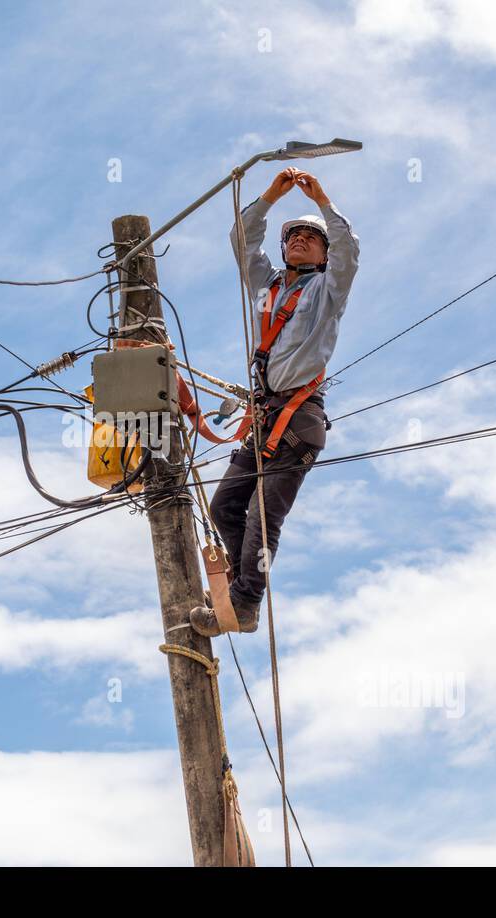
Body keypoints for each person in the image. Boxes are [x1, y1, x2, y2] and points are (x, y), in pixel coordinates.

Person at [189, 166, 360, 636]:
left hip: (298, 419)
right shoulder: (269, 288)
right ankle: (242, 592)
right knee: (225, 506)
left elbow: (350, 251)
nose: (301, 239)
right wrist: (269, 196)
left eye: (311, 237)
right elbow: (241, 240)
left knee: (263, 517)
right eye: (294, 235)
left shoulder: (327, 290)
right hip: (266, 419)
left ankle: (245, 603)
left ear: (324, 254)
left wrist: (321, 198)